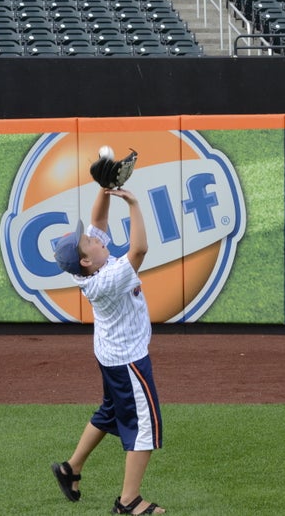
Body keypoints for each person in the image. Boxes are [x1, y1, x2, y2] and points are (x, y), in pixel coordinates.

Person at [50, 178, 165, 516]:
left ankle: (70, 469)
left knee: (111, 413)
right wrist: (133, 204)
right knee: (145, 426)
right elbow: (140, 250)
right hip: (127, 360)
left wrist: (105, 187)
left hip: (110, 353)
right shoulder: (105, 279)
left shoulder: (87, 264)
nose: (94, 237)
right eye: (88, 242)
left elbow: (98, 221)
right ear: (86, 260)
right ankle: (129, 502)